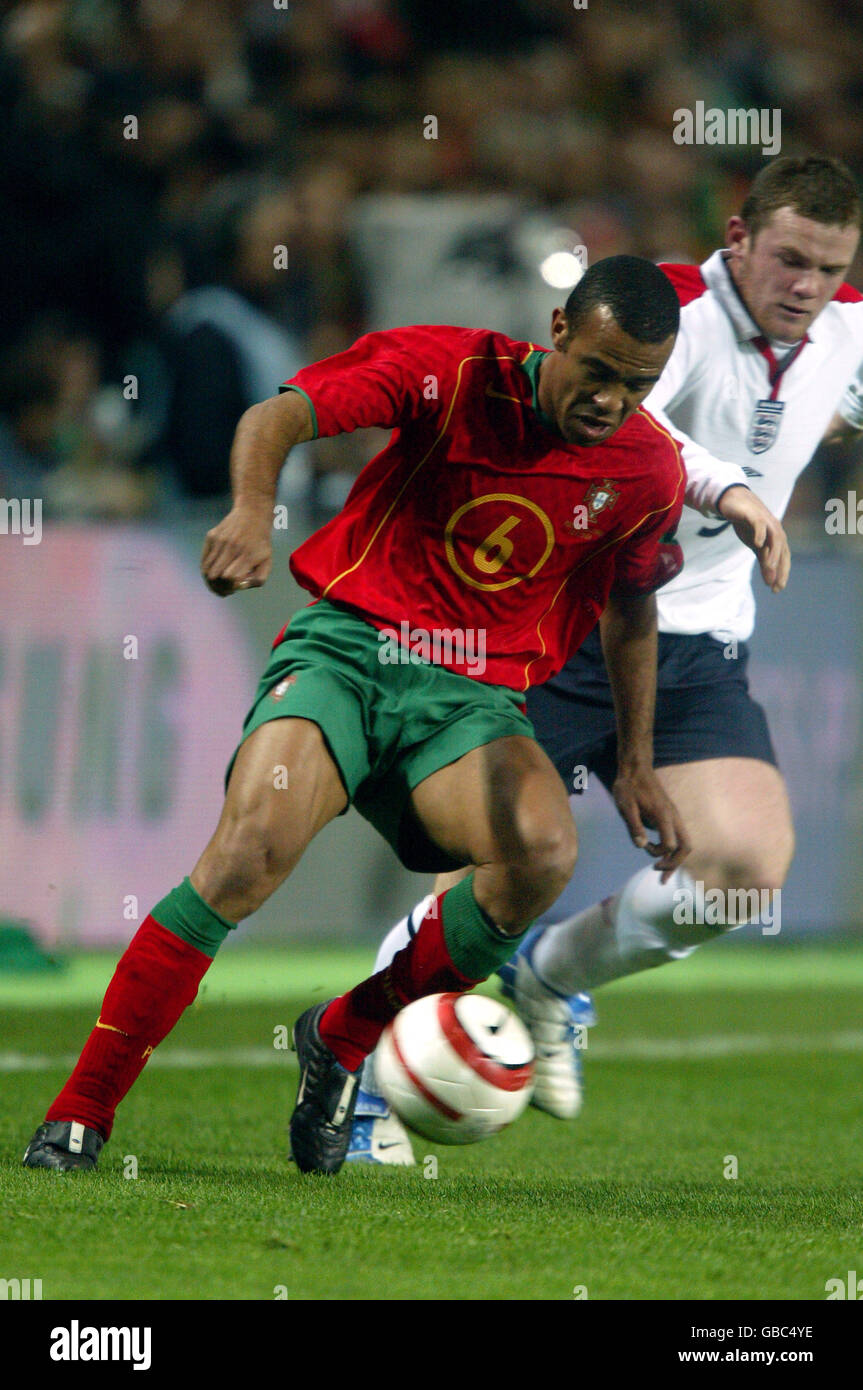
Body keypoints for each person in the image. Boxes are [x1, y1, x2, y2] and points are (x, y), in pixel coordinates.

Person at [22, 255, 692, 1178]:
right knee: (248, 852)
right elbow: (280, 413)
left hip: (469, 704)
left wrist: (637, 760)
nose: (613, 400)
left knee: (540, 853)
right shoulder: (450, 371)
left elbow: (631, 606)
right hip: (349, 649)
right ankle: (81, 1111)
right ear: (560, 330)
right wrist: (254, 513)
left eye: (639, 384)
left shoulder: (647, 470)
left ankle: (343, 1037)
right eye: (601, 371)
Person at [352, 153, 863, 1165]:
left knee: (739, 869)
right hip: (568, 623)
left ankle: (547, 977)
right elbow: (632, 426)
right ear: (737, 240)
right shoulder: (667, 312)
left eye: (827, 268)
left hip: (698, 647)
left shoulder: (845, 334)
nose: (803, 286)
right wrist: (727, 493)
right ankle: (365, 1082)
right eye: (787, 259)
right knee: (485, 864)